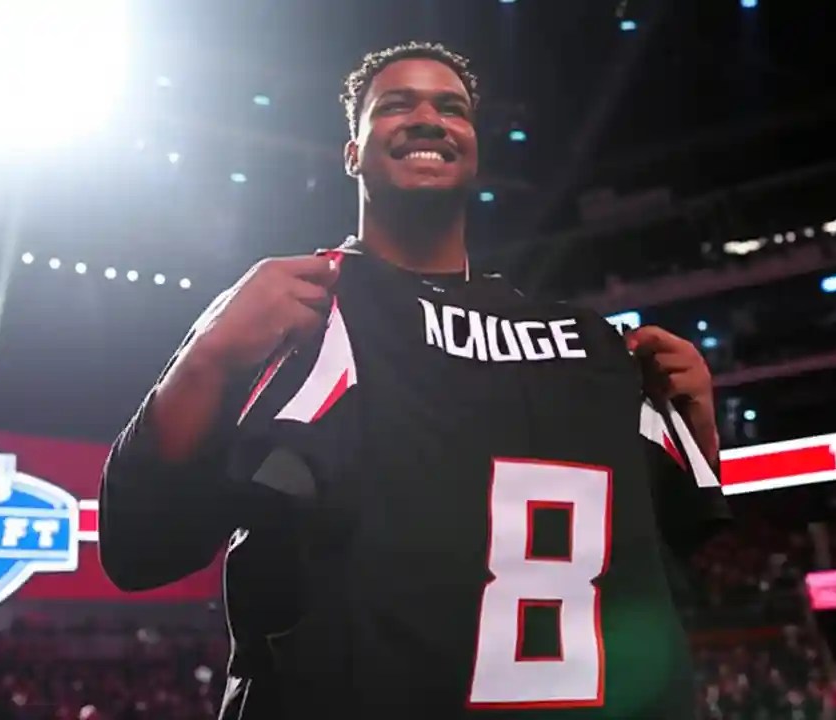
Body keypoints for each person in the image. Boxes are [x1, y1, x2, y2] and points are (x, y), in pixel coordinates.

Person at [100, 41, 730, 719]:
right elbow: (141, 550)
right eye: (396, 105)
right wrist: (207, 356)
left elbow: (666, 562)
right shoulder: (300, 313)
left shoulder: (594, 351)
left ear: (474, 148)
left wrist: (699, 429)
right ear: (353, 153)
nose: (428, 119)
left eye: (450, 108)